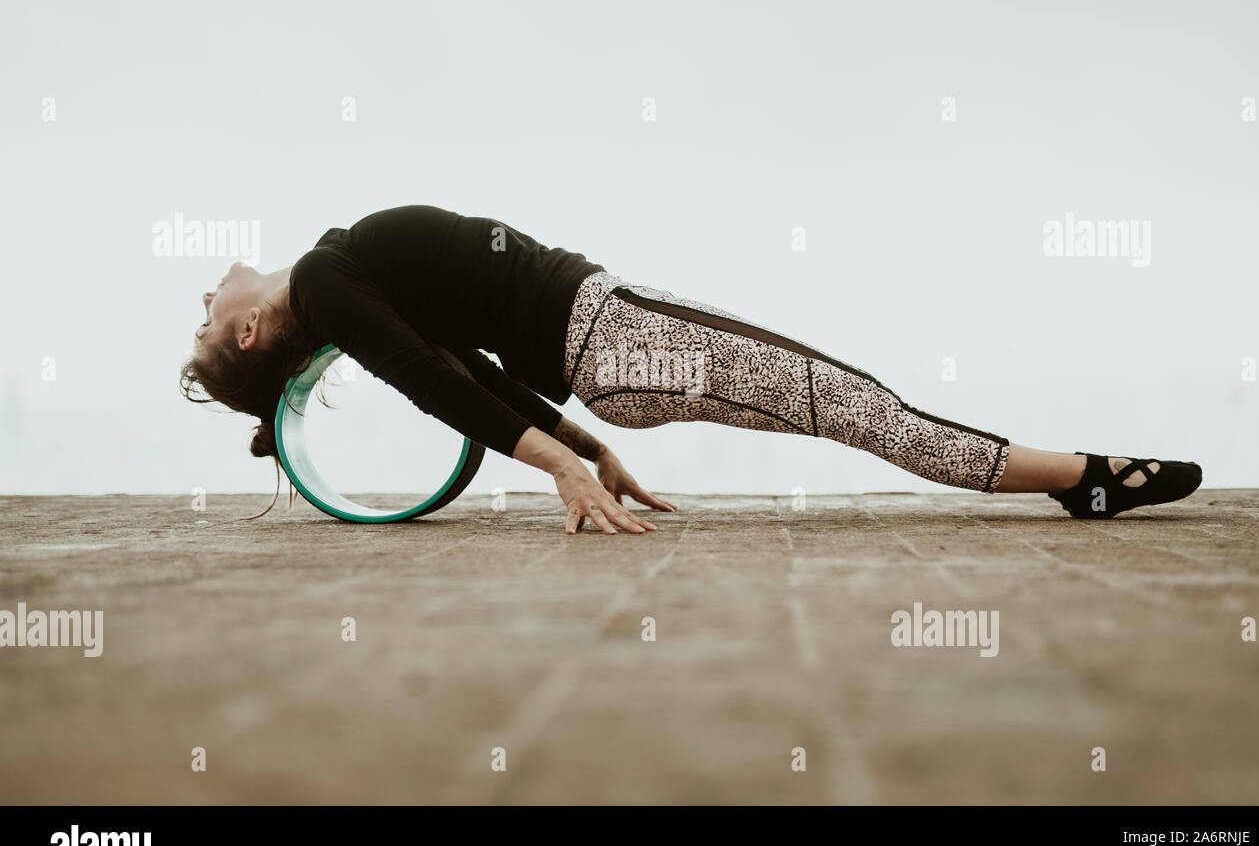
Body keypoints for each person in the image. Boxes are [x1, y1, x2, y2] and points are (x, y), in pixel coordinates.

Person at [181, 205, 1201, 534]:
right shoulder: (323, 279)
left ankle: (1083, 477)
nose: (204, 300)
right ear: (245, 338)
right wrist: (558, 465)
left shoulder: (337, 270)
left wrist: (589, 443)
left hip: (613, 350)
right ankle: (1085, 478)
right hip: (616, 342)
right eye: (200, 326)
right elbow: (433, 381)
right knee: (864, 408)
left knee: (857, 405)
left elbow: (464, 368)